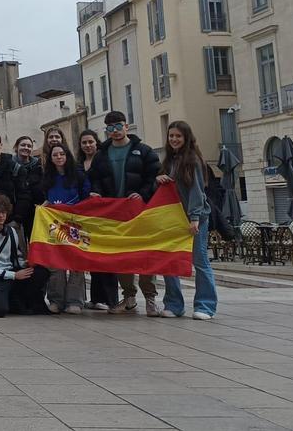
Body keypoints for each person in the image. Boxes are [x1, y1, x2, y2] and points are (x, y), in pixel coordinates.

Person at [87, 111, 160, 316]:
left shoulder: (144, 151)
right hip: (115, 215)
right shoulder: (101, 154)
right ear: (107, 131)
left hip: (139, 213)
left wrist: (143, 194)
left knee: (145, 257)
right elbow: (95, 179)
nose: (115, 131)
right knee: (122, 257)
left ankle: (150, 298)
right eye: (110, 128)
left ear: (127, 126)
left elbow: (154, 177)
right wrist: (97, 193)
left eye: (119, 126)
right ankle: (129, 298)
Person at [157, 121, 218, 320]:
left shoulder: (192, 160)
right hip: (173, 218)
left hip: (195, 218)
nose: (174, 139)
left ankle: (205, 306)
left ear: (186, 138)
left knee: (200, 261)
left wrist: (194, 218)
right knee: (169, 261)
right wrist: (160, 179)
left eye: (178, 136)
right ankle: (174, 304)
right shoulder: (169, 161)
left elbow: (196, 191)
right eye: (171, 136)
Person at [0, 194, 49, 318]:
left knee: (41, 272)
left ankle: (15, 300)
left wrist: (27, 263)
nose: (2, 216)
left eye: (4, 212)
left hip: (11, 275)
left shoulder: (12, 232)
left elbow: (16, 258)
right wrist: (14, 275)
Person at [40, 142, 92, 314]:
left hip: (77, 225)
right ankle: (56, 299)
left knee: (76, 263)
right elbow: (48, 199)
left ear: (67, 155)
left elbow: (86, 200)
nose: (59, 157)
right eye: (55, 155)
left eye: (62, 154)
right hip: (55, 225)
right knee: (56, 264)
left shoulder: (78, 176)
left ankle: (75, 301)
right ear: (51, 158)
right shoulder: (48, 178)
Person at [77, 129, 115, 310]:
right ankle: (95, 298)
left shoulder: (104, 159)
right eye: (84, 143)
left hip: (103, 213)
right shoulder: (79, 164)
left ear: (96, 142)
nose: (87, 145)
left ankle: (109, 298)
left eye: (90, 142)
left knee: (105, 257)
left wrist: (101, 195)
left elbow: (109, 183)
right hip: (86, 215)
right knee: (91, 257)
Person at [13, 136, 44, 241]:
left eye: (29, 146)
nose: (26, 148)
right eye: (23, 145)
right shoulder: (10, 164)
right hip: (16, 209)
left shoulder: (38, 165)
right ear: (16, 147)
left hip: (34, 209)